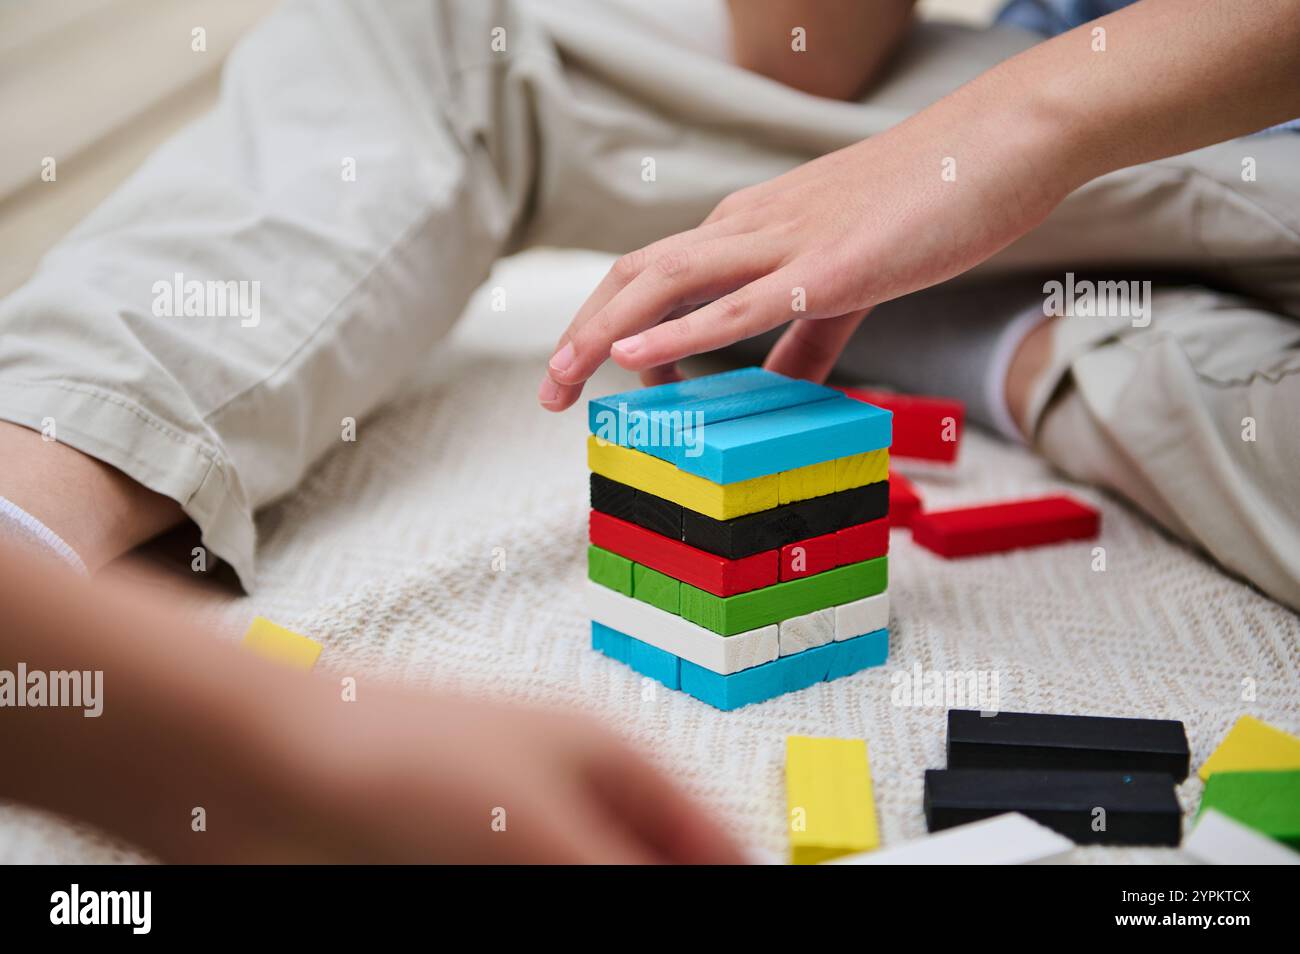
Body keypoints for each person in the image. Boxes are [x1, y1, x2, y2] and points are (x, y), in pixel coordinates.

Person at [0, 0, 1297, 860]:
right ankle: (31, 494)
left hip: (1190, 119)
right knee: (447, 24)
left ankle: (997, 320)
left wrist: (1015, 132)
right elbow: (811, 55)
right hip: (1049, 93)